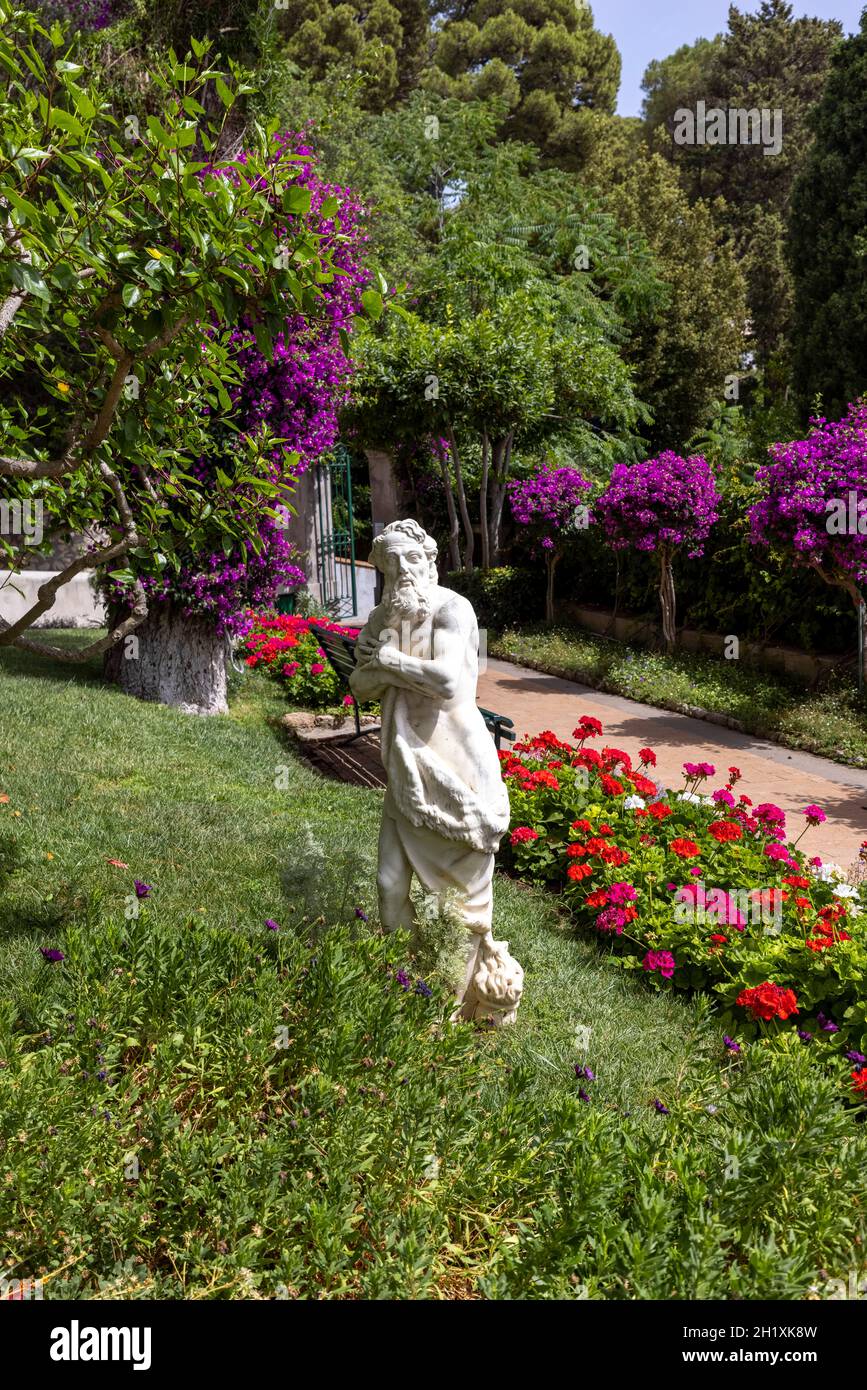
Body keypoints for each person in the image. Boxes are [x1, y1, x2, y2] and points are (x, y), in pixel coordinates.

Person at [350, 519, 523, 1024]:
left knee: (461, 910)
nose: (401, 570)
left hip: (456, 768)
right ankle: (405, 980)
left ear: (429, 560)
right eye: (390, 563)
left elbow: (447, 681)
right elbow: (361, 684)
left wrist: (385, 660)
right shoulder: (385, 615)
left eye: (410, 559)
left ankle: (449, 1010)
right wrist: (381, 663)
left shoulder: (453, 608)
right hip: (407, 768)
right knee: (387, 882)